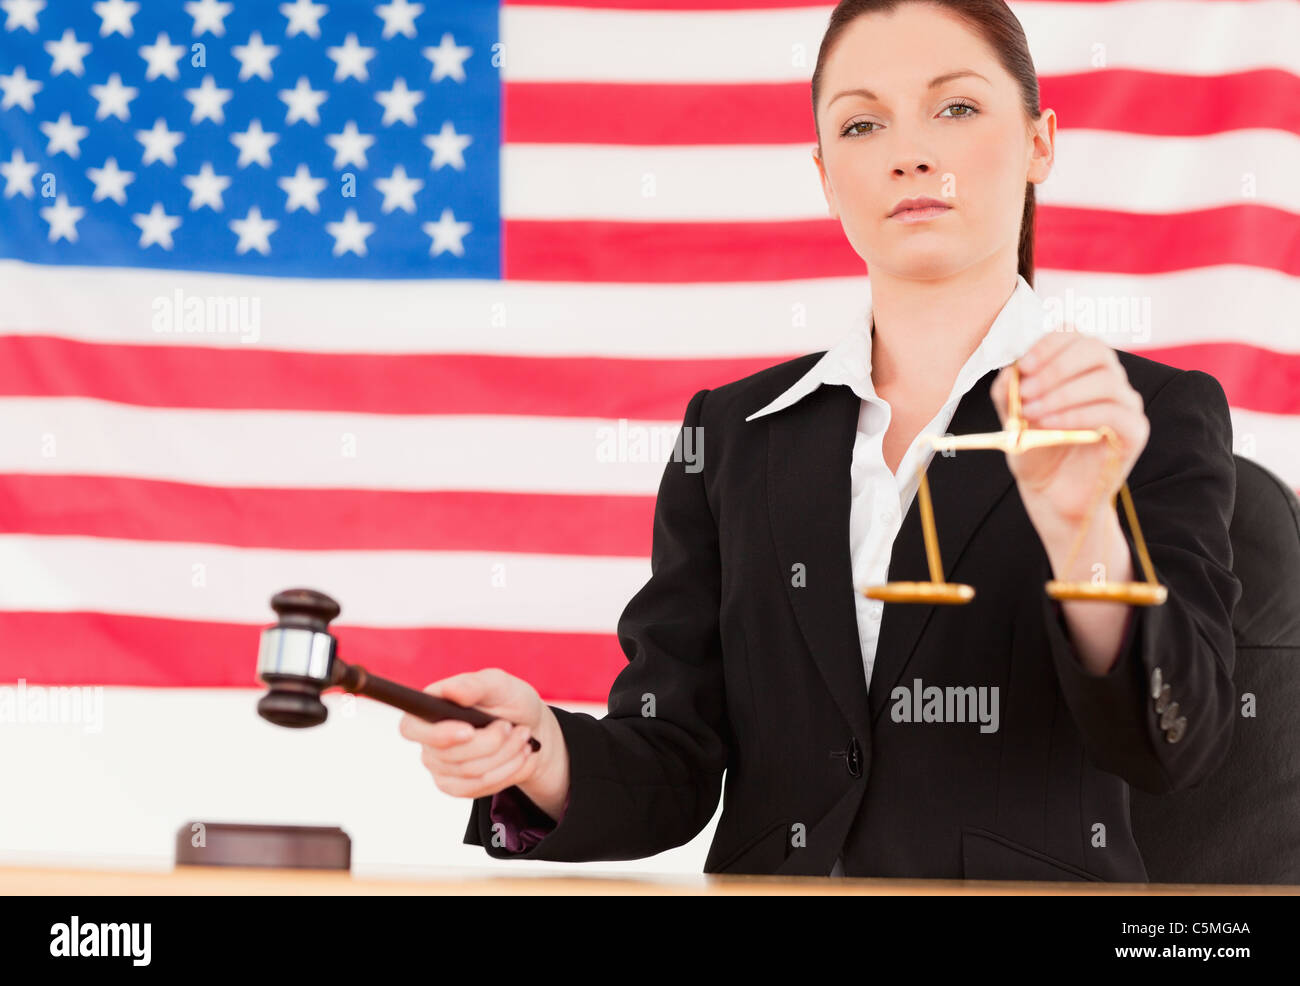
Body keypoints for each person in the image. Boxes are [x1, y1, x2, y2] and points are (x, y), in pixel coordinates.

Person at [398, 0, 1240, 880]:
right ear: (826, 173)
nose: (910, 152)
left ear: (1040, 143)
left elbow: (1177, 745)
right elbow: (676, 752)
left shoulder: (1147, 414)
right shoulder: (734, 434)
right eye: (863, 123)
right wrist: (541, 751)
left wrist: (1085, 535)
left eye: (955, 108)